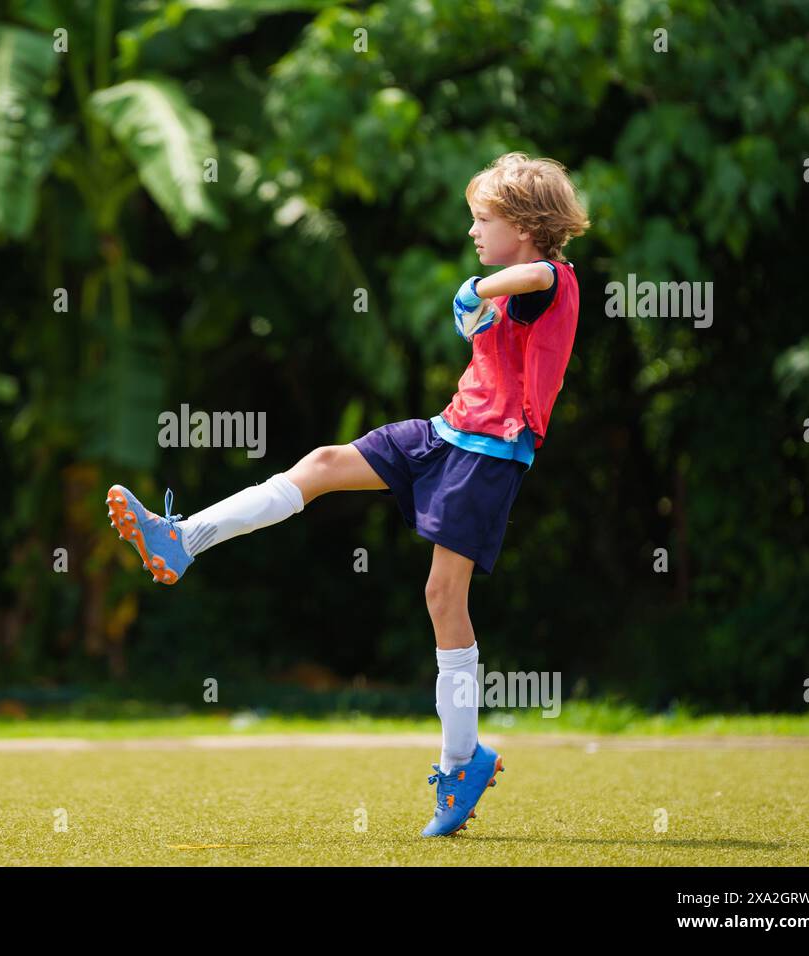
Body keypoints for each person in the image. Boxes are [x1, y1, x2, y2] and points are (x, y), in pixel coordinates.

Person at [105, 151, 589, 837]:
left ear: (527, 223)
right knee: (327, 461)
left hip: (490, 455)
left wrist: (476, 290)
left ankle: (462, 763)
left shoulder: (549, 279)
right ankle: (184, 539)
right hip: (446, 433)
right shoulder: (513, 285)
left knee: (442, 597)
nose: (474, 233)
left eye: (484, 220)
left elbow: (539, 273)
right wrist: (485, 293)